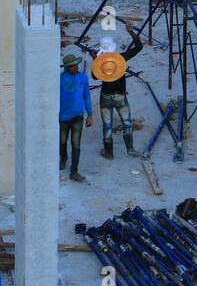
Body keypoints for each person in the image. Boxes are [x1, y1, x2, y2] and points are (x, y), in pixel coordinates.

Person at [96, 25, 143, 160]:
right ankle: (130, 149)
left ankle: (109, 153)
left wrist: (96, 59)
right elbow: (139, 47)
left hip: (105, 96)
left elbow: (94, 76)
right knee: (127, 122)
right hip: (120, 96)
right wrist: (131, 32)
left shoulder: (100, 62)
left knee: (107, 125)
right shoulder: (121, 58)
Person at [59, 52, 93, 182]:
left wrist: (89, 114)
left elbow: (87, 96)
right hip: (63, 117)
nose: (76, 67)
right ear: (67, 67)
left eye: (76, 65)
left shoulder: (83, 78)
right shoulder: (60, 79)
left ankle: (74, 171)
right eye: (73, 66)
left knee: (76, 144)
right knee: (62, 142)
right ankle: (64, 157)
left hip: (78, 116)